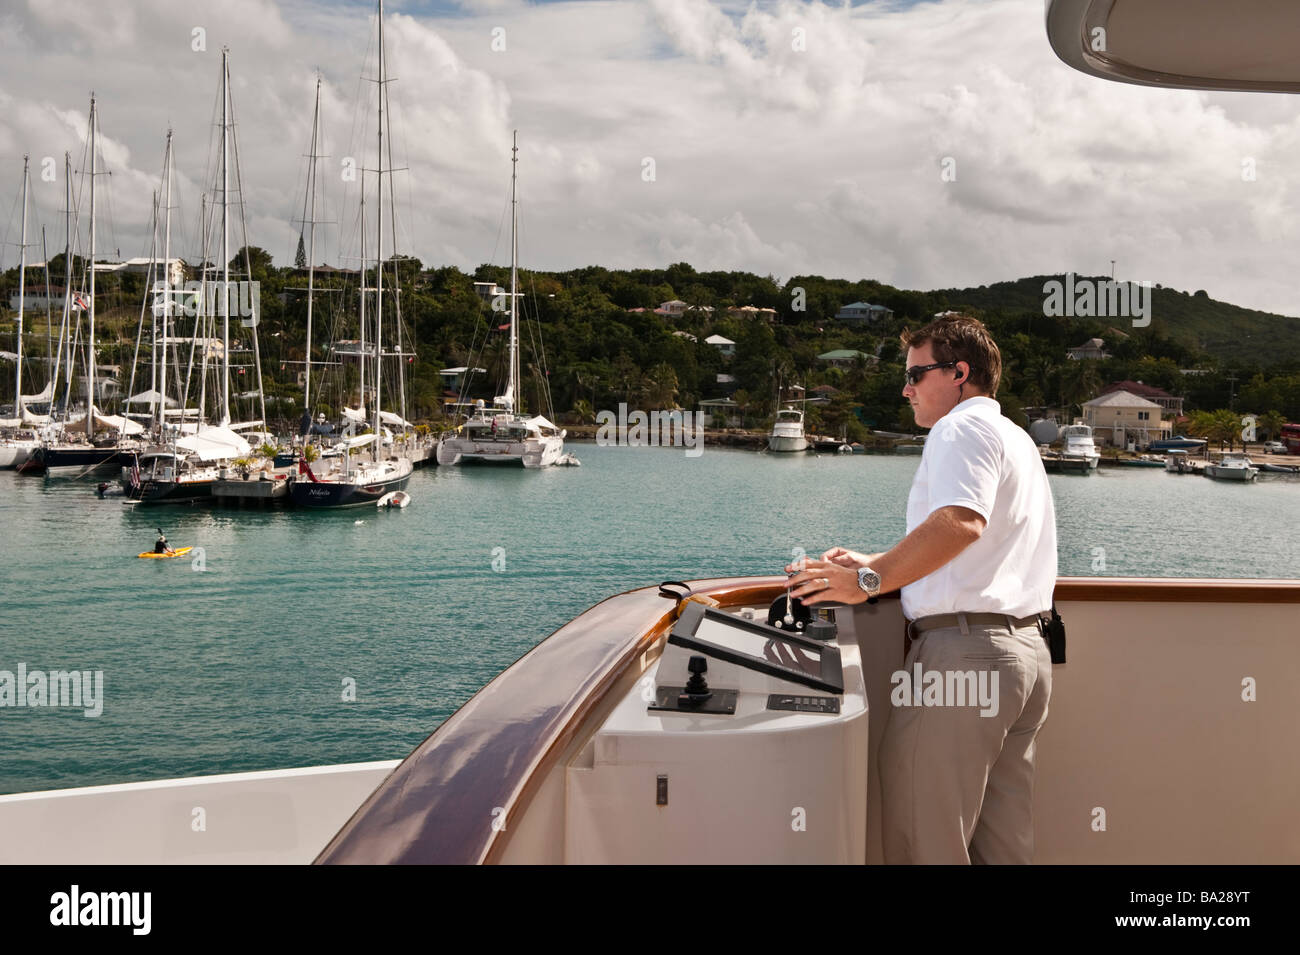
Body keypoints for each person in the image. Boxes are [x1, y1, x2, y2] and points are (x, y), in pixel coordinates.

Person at [787, 312, 1057, 864]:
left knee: (923, 832)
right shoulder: (1015, 437)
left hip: (966, 658)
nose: (906, 388)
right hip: (1025, 657)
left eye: (916, 374)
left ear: (959, 373)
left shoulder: (959, 428)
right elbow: (980, 547)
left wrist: (867, 581)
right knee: (1001, 845)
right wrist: (878, 560)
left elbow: (961, 522)